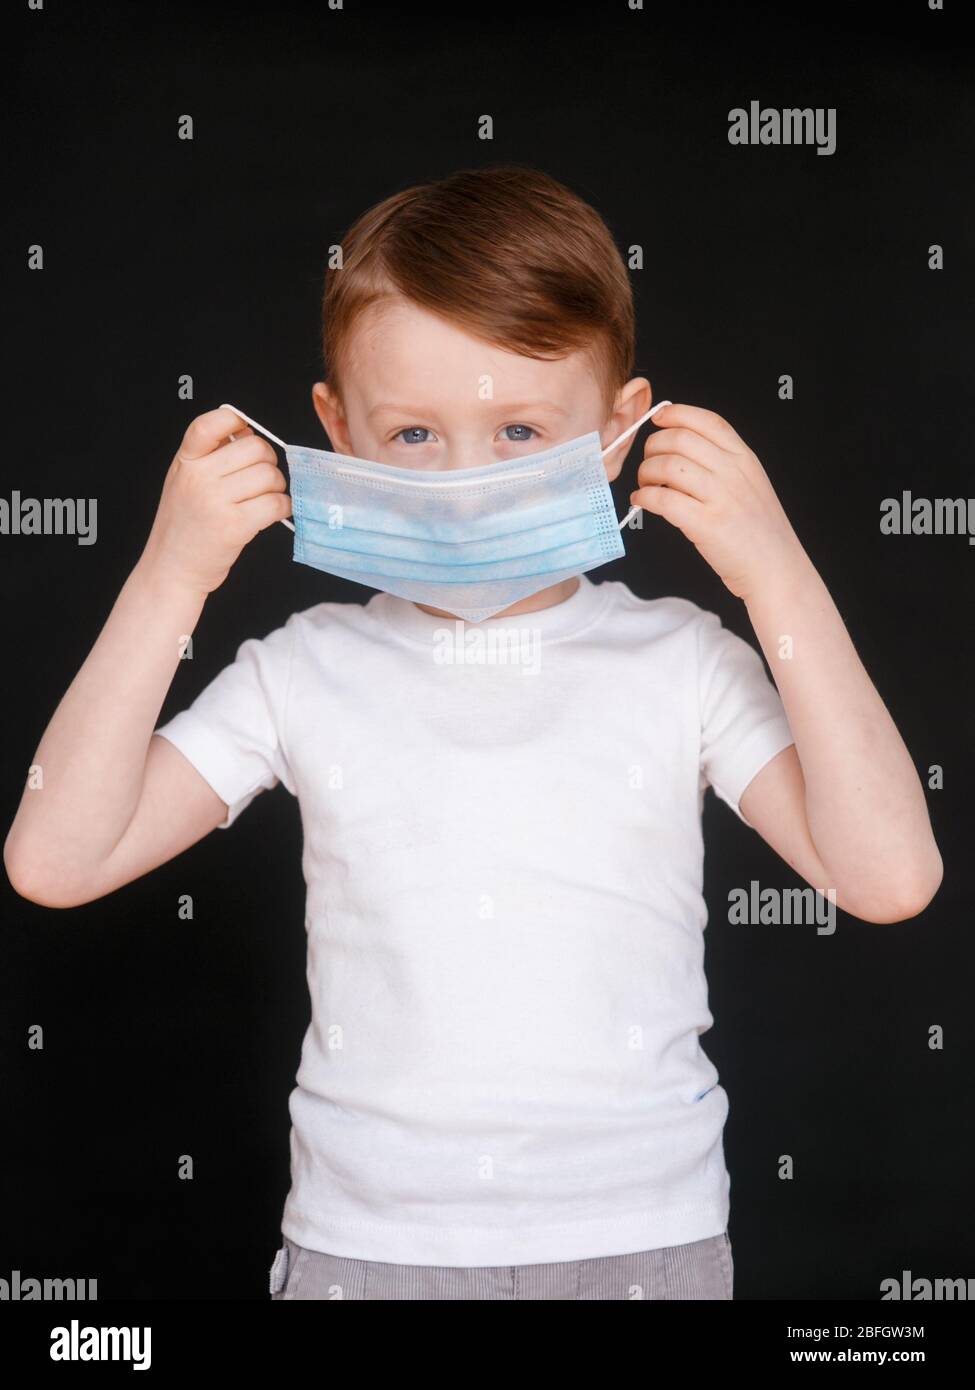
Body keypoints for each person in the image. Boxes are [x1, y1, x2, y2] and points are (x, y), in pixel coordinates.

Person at [4, 165, 943, 1301]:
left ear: (618, 432)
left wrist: (776, 574)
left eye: (519, 431)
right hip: (371, 1249)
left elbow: (888, 873)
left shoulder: (682, 660)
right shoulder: (306, 669)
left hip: (644, 1238)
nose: (468, 486)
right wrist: (172, 574)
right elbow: (57, 859)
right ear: (335, 431)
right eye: (412, 434)